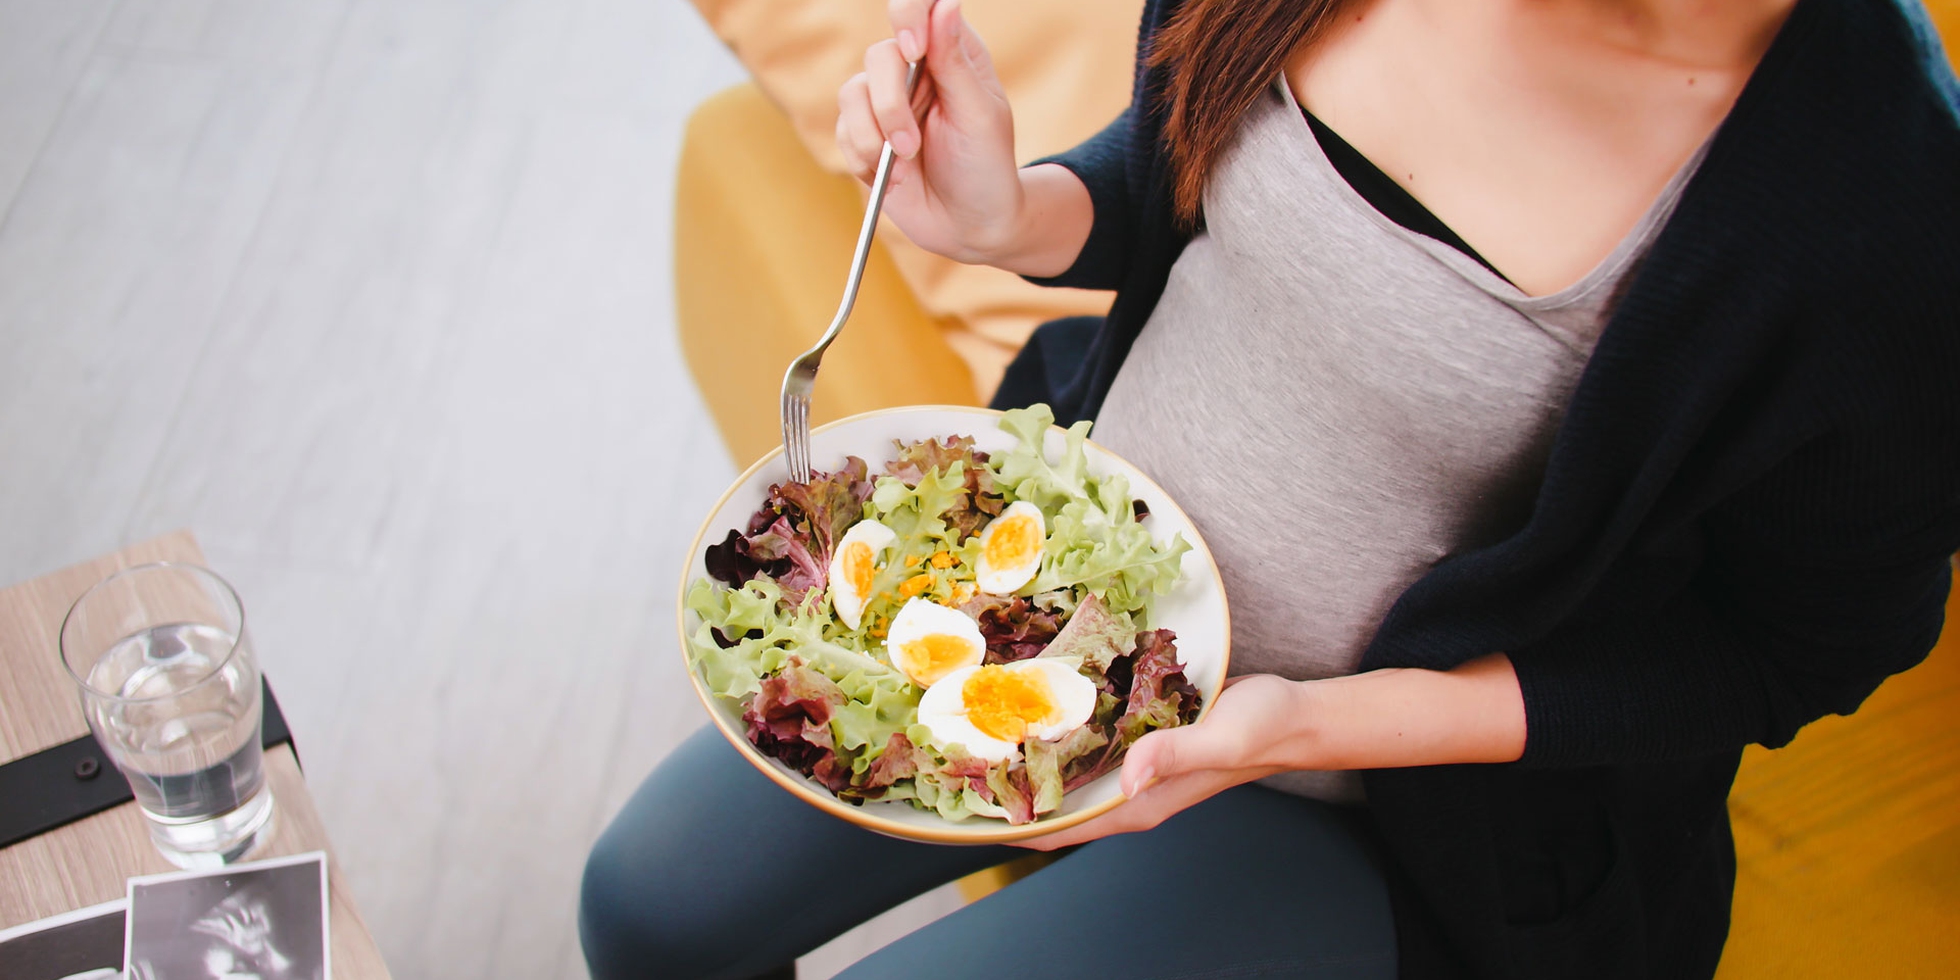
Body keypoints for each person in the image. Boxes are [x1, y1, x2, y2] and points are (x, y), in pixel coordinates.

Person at [580, 0, 1960, 976]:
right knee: (646, 907)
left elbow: (1800, 647)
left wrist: (1309, 725)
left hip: (1377, 812)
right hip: (1049, 607)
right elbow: (1200, 173)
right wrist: (1014, 214)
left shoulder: (1879, 208)